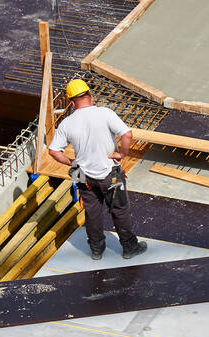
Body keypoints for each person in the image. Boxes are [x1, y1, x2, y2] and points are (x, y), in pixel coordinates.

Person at [46, 78, 147, 261]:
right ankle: (129, 248)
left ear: (71, 102)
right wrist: (122, 154)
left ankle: (96, 250)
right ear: (90, 96)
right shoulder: (105, 113)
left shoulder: (67, 123)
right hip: (110, 174)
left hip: (83, 175)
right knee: (119, 210)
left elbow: (53, 151)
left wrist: (71, 163)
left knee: (92, 212)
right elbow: (127, 134)